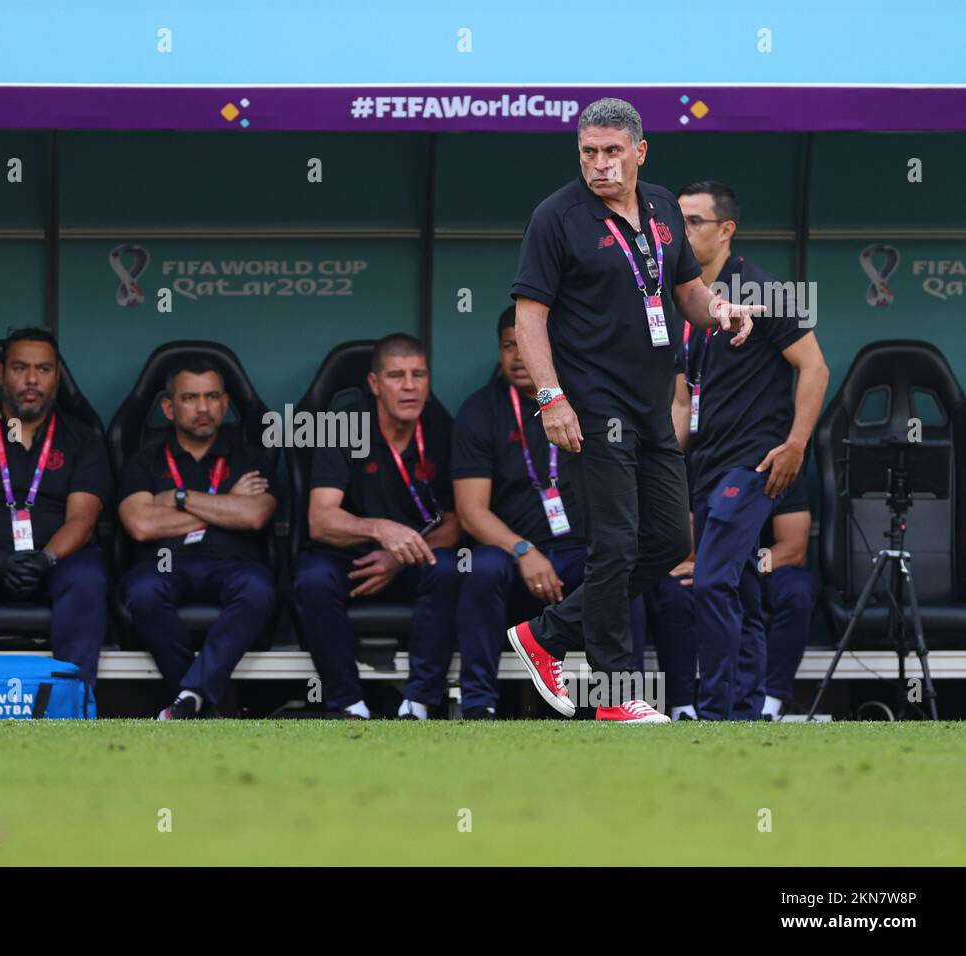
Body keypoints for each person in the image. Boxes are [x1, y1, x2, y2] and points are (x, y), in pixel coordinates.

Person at [506, 97, 762, 724]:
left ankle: (546, 635)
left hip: (654, 405)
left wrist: (721, 310)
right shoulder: (556, 216)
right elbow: (529, 314)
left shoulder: (664, 206)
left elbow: (685, 293)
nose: (599, 165)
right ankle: (614, 696)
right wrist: (550, 397)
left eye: (612, 152)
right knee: (615, 545)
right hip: (594, 405)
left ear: (639, 153)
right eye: (589, 152)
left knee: (671, 538)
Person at [672, 180, 828, 720]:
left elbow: (815, 367)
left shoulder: (765, 292)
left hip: (753, 461)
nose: (682, 231)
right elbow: (680, 401)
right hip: (704, 465)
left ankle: (716, 712)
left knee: (711, 580)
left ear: (726, 230)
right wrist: (666, 460)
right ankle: (745, 710)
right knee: (740, 587)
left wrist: (796, 445)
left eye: (694, 221)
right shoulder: (681, 300)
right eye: (678, 220)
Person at [452, 306, 646, 718]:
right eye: (509, 346)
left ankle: (618, 700)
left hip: (580, 550)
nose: (518, 357)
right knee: (479, 569)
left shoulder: (584, 404)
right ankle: (478, 706)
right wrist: (523, 550)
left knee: (622, 572)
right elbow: (471, 512)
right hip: (512, 552)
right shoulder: (480, 410)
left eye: (525, 346)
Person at [294, 333, 462, 720]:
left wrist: (398, 557)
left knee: (451, 569)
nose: (409, 386)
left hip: (412, 559)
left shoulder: (442, 430)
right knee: (313, 580)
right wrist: (380, 530)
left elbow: (456, 523)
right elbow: (321, 520)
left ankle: (418, 702)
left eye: (418, 375)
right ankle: (348, 704)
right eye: (396, 375)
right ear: (374, 384)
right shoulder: (344, 426)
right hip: (348, 560)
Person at [0, 328, 111, 683]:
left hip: (59, 558)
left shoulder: (84, 439)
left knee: (88, 578)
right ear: (0, 374)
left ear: (57, 377)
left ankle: (70, 707)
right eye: (20, 368)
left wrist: (46, 558)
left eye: (43, 370)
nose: (32, 380)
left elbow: (82, 519)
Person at [117, 358, 278, 719]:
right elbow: (141, 525)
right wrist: (226, 505)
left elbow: (254, 516)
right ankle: (199, 703)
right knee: (143, 591)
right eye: (190, 398)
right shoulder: (144, 462)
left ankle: (189, 698)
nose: (203, 408)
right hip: (164, 565)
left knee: (259, 589)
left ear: (225, 404)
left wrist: (177, 497)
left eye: (212, 397)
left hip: (233, 566)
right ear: (169, 408)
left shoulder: (251, 458)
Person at [758, 480, 817, 720]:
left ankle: (770, 704)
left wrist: (740, 570)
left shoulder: (781, 468)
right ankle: (684, 708)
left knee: (798, 592)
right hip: (709, 569)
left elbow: (793, 548)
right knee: (675, 591)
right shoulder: (700, 461)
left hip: (760, 567)